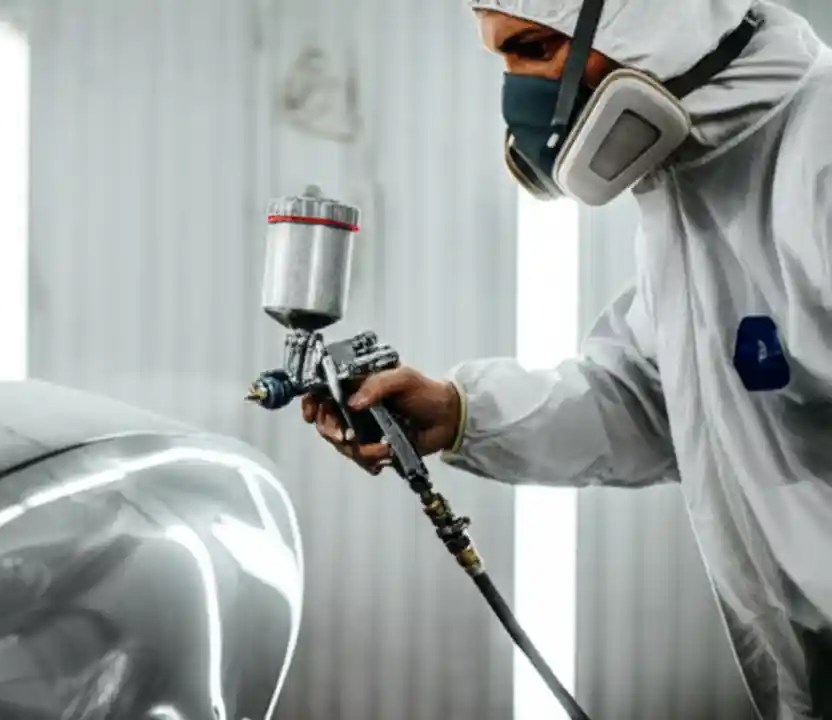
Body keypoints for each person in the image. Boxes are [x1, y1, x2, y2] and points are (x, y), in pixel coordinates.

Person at [302, 1, 832, 717]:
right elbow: (654, 400)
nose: (517, 93)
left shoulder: (818, 155)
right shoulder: (693, 178)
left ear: (644, 21)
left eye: (530, 49)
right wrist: (457, 414)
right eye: (502, 59)